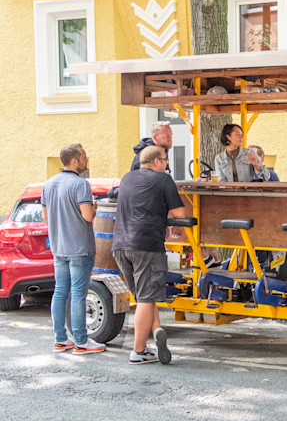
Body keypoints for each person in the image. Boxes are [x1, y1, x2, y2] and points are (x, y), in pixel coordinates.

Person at [113, 146, 186, 365]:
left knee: (146, 296)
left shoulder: (126, 178)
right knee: (146, 298)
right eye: (165, 160)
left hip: (120, 245)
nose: (167, 164)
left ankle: (156, 331)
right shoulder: (163, 180)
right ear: (156, 162)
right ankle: (138, 351)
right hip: (146, 245)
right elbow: (180, 213)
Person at [41, 144, 106, 355]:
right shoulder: (80, 185)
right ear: (75, 161)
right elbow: (88, 216)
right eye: (85, 157)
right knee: (78, 294)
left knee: (60, 292)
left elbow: (45, 218)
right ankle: (81, 341)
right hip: (79, 247)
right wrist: (95, 208)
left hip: (59, 248)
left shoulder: (49, 184)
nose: (87, 160)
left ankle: (61, 339)